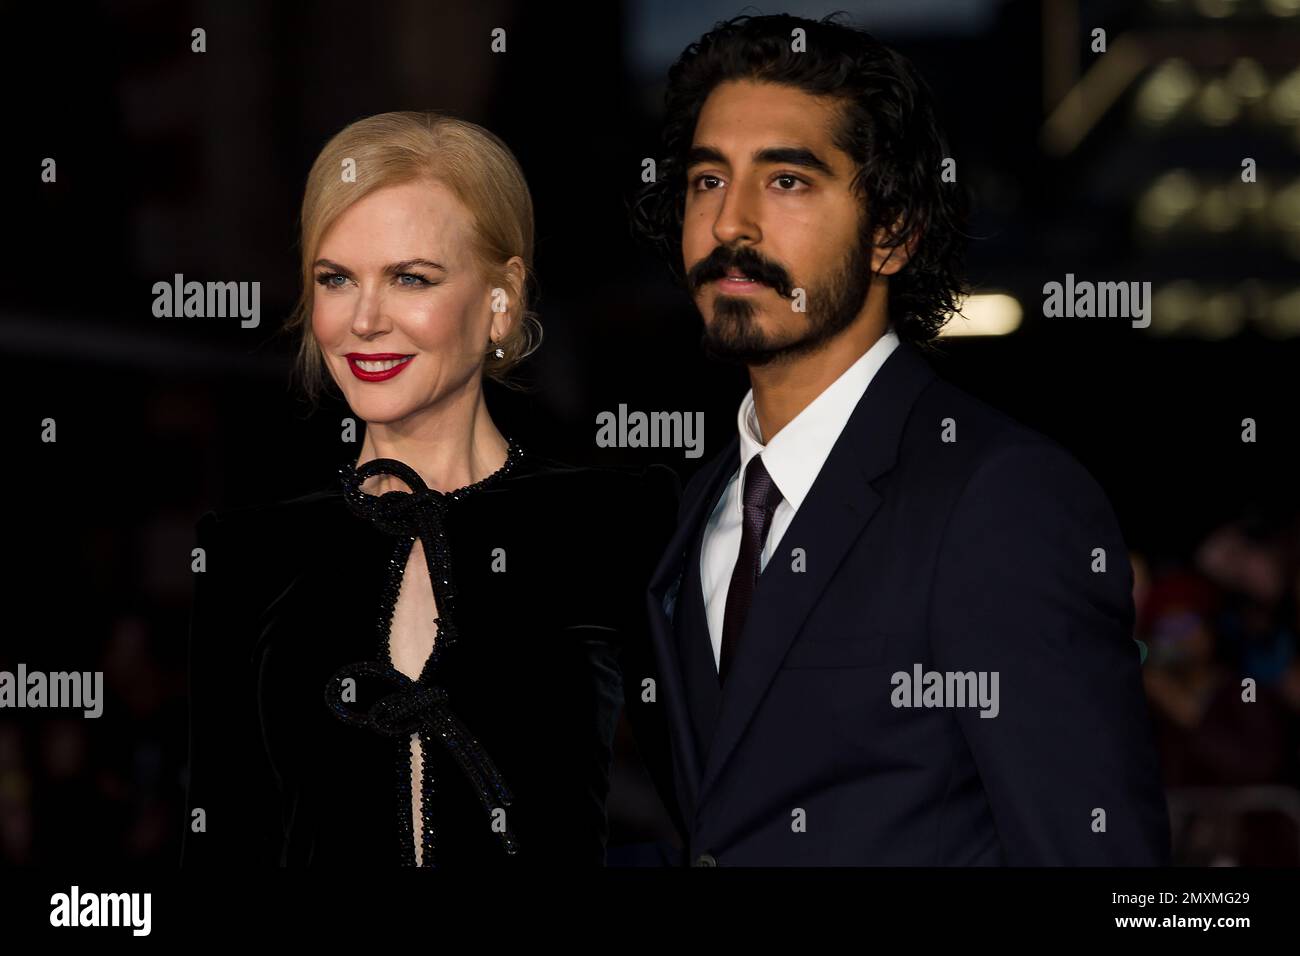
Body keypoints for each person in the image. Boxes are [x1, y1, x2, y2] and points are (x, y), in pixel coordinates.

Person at [631, 14, 1171, 865]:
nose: (730, 222)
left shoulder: (1001, 497)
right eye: (707, 180)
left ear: (893, 233)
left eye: (787, 182)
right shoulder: (699, 509)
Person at [182, 111, 681, 867]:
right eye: (336, 279)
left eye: (410, 278)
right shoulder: (249, 554)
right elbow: (223, 846)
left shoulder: (612, 521)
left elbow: (714, 805)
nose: (365, 319)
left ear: (500, 299)